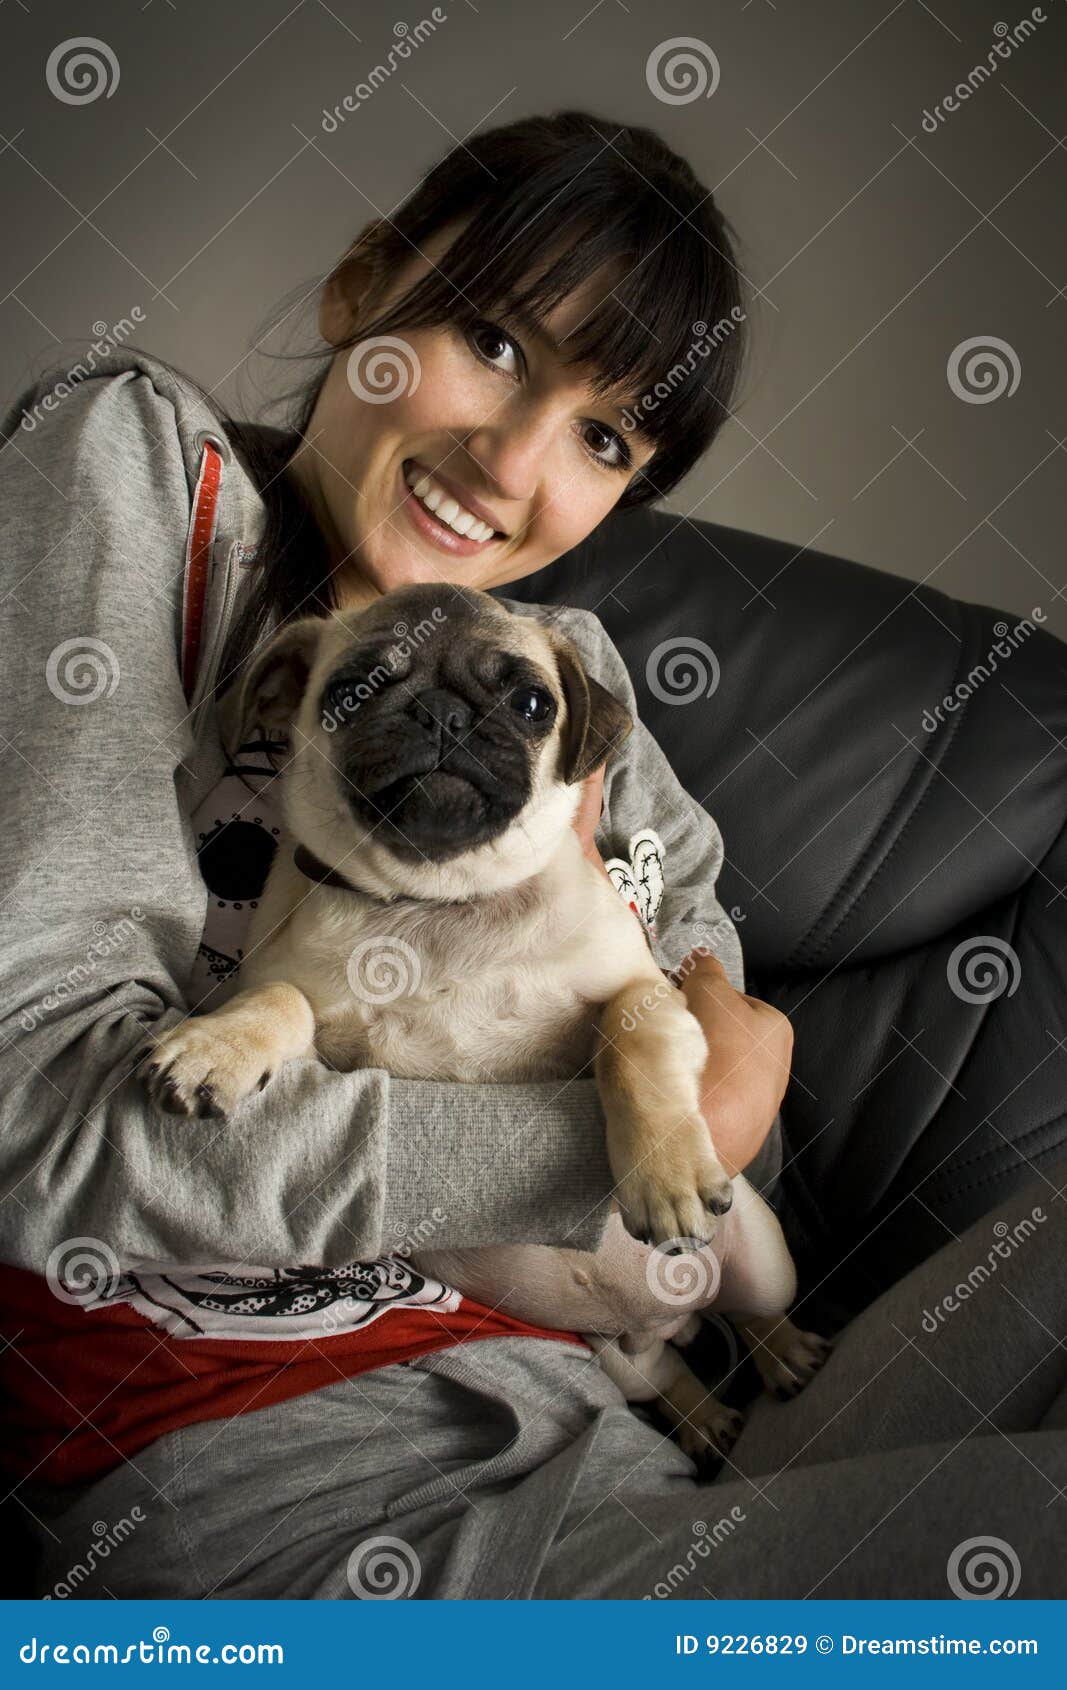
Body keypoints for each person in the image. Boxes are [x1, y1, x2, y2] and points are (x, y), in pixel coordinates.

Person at [1, 110, 1062, 1602]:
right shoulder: (146, 477)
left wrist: (719, 1056)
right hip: (281, 1478)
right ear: (363, 285)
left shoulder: (568, 678)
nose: (510, 458)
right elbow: (41, 1129)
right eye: (493, 340)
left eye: (604, 435)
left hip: (607, 1411)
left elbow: (698, 972)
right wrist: (630, 1150)